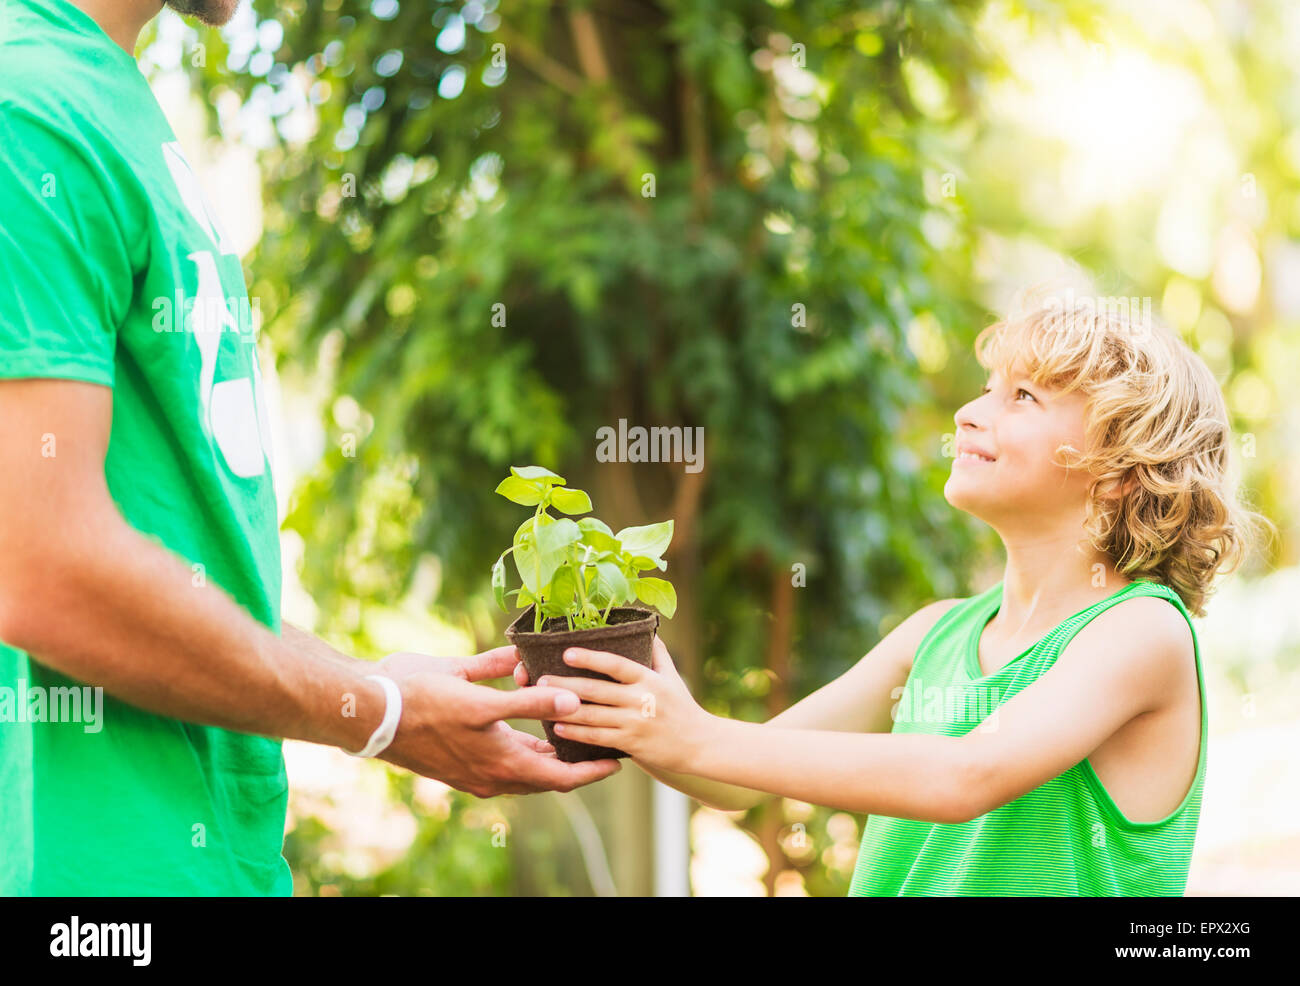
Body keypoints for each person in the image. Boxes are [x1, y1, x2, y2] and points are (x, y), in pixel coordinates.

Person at [0, 0, 619, 897]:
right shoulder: (32, 110)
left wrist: (365, 678)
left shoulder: (104, 101)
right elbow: (42, 568)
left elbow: (177, 558)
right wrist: (380, 717)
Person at [530, 284, 1272, 896]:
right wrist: (637, 710)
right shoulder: (935, 635)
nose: (969, 411)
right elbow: (734, 777)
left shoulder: (1142, 633)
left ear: (1118, 470)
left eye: (1023, 397)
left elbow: (966, 776)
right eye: (987, 388)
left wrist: (696, 734)